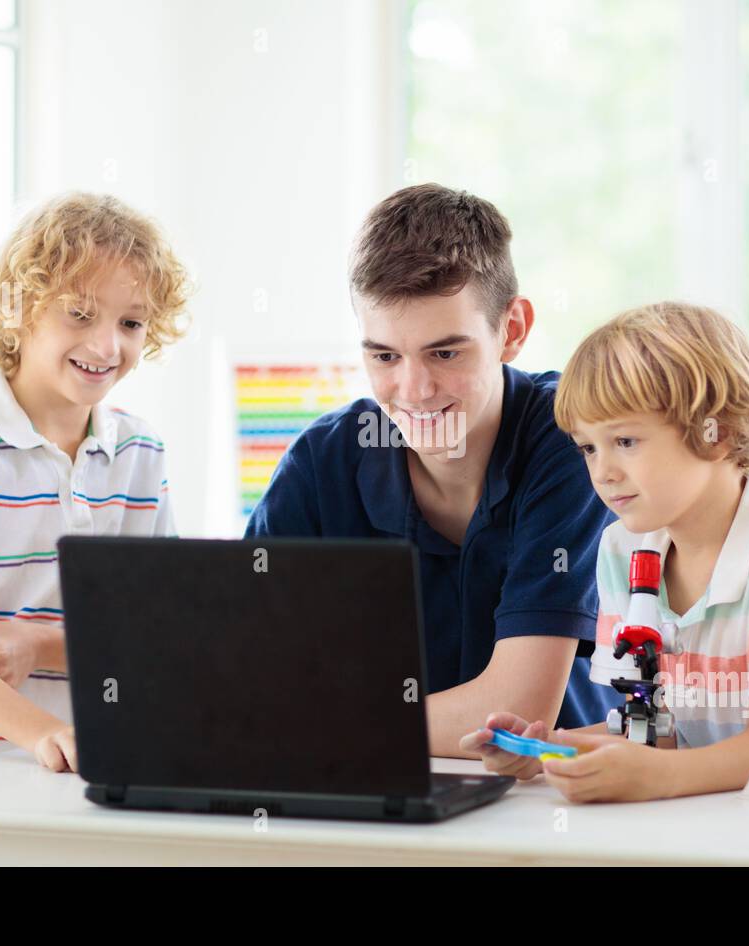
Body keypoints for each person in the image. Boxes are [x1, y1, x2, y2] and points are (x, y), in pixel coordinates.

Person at [461, 301, 749, 801]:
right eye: (588, 447)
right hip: (730, 814)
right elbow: (652, 731)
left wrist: (653, 777)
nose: (602, 471)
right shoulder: (622, 552)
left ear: (718, 434)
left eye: (625, 440)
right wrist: (545, 753)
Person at [245, 183, 621, 756]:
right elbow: (249, 677)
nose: (414, 392)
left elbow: (514, 714)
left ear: (512, 330)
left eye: (445, 353)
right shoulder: (322, 464)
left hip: (544, 798)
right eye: (384, 357)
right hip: (373, 790)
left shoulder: (571, 439)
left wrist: (317, 729)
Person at [0, 192, 191, 775]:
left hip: (84, 769)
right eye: (79, 313)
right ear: (18, 310)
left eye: (130, 322)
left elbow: (153, 635)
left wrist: (40, 647)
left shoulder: (141, 454)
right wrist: (45, 735)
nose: (107, 346)